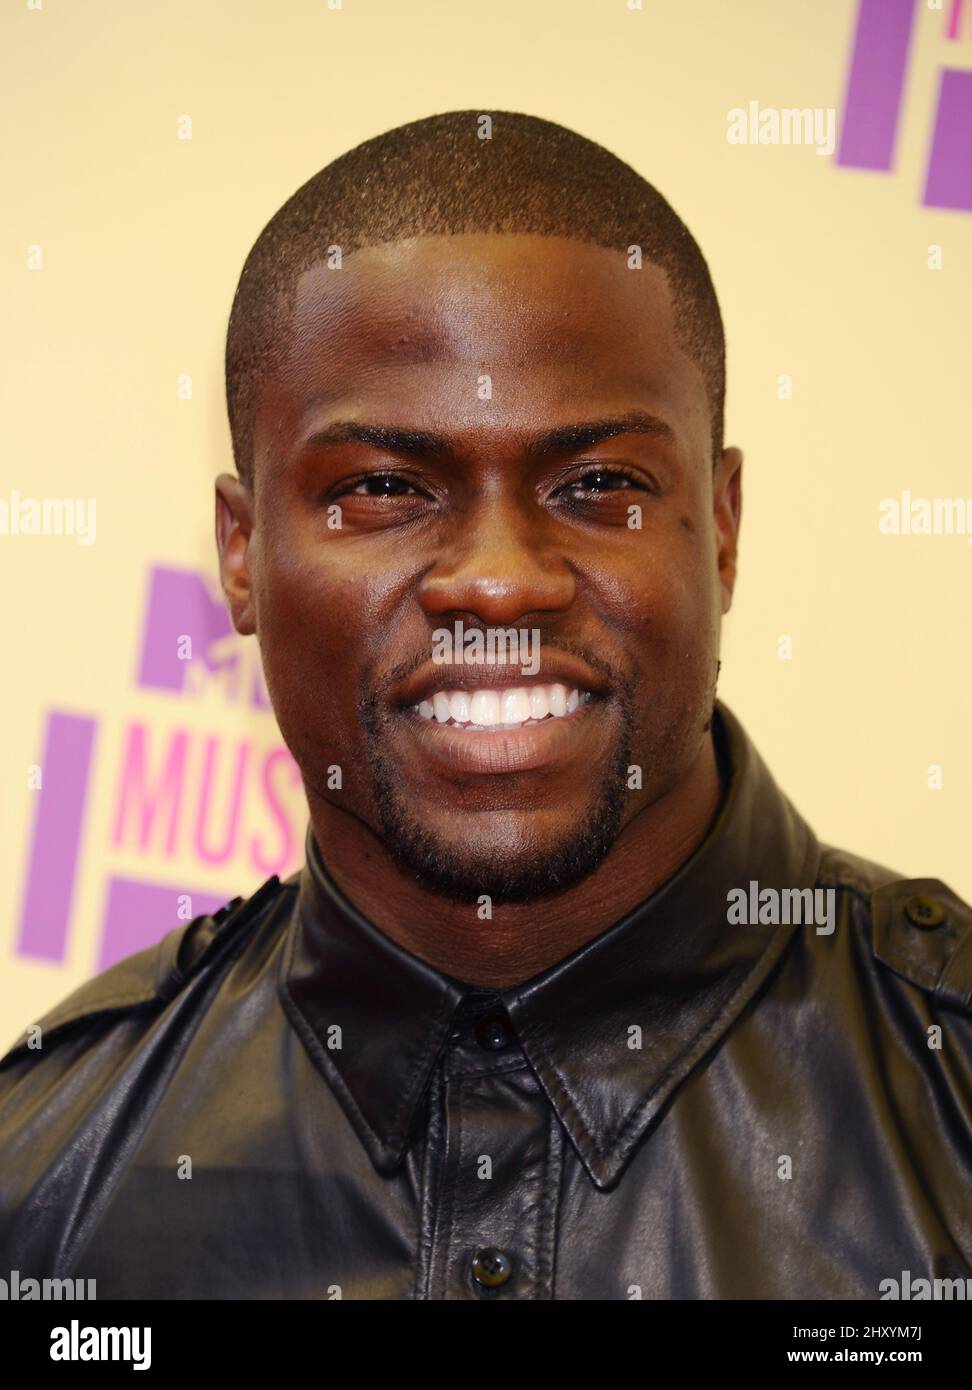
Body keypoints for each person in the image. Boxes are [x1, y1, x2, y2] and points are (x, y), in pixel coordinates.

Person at [1, 109, 970, 1301]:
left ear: (719, 529)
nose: (500, 579)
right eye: (386, 487)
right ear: (241, 556)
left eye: (601, 482)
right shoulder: (44, 1175)